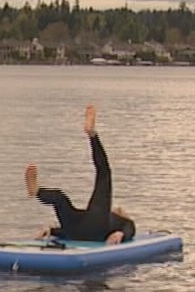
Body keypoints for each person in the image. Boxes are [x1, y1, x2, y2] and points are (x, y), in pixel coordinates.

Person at [26, 104, 136, 244]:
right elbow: (129, 229)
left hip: (81, 230)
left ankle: (37, 192)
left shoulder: (121, 221)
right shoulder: (112, 219)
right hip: (81, 231)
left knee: (100, 176)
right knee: (62, 198)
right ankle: (36, 191)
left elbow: (129, 228)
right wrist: (51, 230)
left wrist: (121, 233)